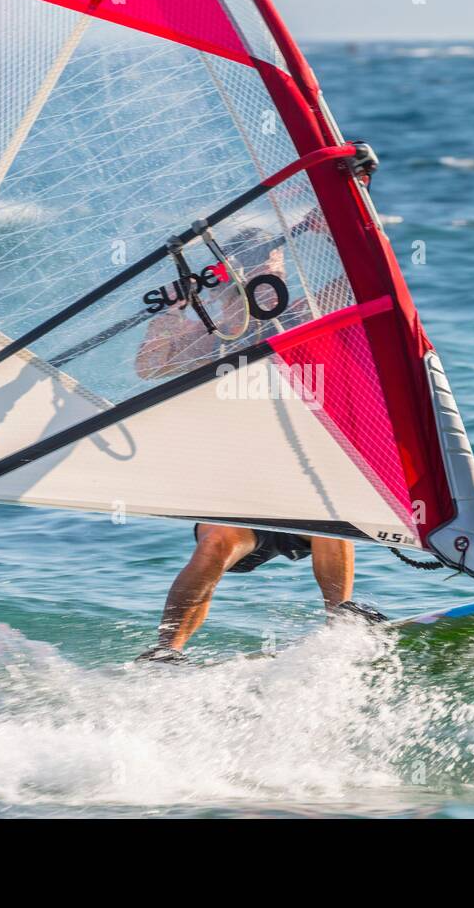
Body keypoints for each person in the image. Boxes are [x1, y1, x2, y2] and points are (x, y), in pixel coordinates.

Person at [133, 230, 386, 664]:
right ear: (233, 285)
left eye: (278, 269)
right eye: (264, 270)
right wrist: (174, 311)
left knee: (333, 521)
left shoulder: (304, 314)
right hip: (240, 488)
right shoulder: (208, 338)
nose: (275, 277)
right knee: (214, 543)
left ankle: (340, 630)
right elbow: (149, 366)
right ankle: (165, 652)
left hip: (305, 481)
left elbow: (367, 284)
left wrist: (334, 231)